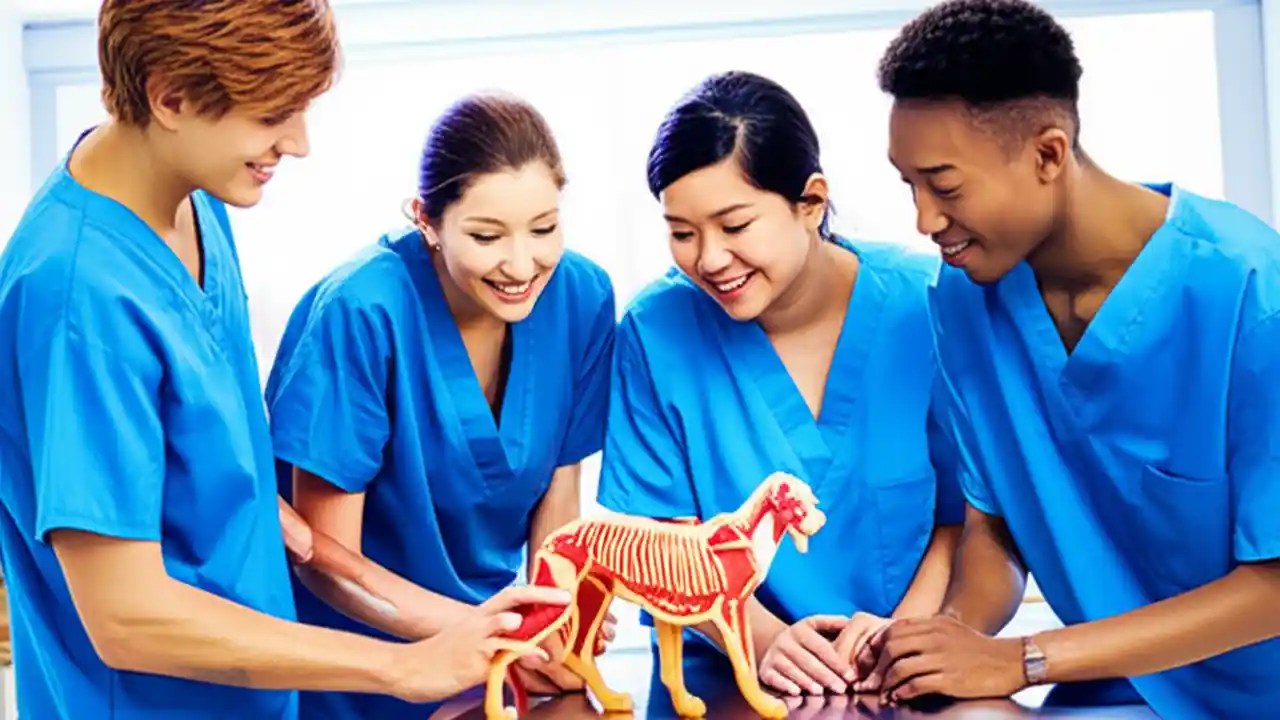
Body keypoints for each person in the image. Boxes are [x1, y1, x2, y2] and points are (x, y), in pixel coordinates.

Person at [0, 3, 565, 718]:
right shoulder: (77, 291)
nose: (296, 143)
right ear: (169, 97)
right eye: (273, 116)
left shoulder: (193, 203)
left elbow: (181, 459)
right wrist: (401, 667)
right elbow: (125, 616)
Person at [857, 0, 1280, 716]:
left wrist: (1021, 660)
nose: (925, 220)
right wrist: (941, 646)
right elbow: (994, 526)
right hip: (1110, 689)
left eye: (946, 186)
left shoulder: (1250, 291)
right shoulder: (963, 298)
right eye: (910, 186)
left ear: (1049, 154)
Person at [596, 70, 965, 708]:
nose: (708, 258)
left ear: (811, 202)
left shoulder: (928, 304)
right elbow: (658, 543)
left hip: (907, 669)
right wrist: (760, 637)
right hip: (721, 682)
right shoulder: (656, 333)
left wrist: (905, 630)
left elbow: (968, 518)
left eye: (734, 225)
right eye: (682, 233)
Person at [264, 90, 617, 719]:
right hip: (356, 672)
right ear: (426, 218)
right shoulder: (361, 310)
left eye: (544, 228)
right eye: (486, 236)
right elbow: (324, 560)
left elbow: (558, 505)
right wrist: (496, 634)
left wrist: (555, 620)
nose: (521, 263)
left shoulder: (581, 296)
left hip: (485, 667)